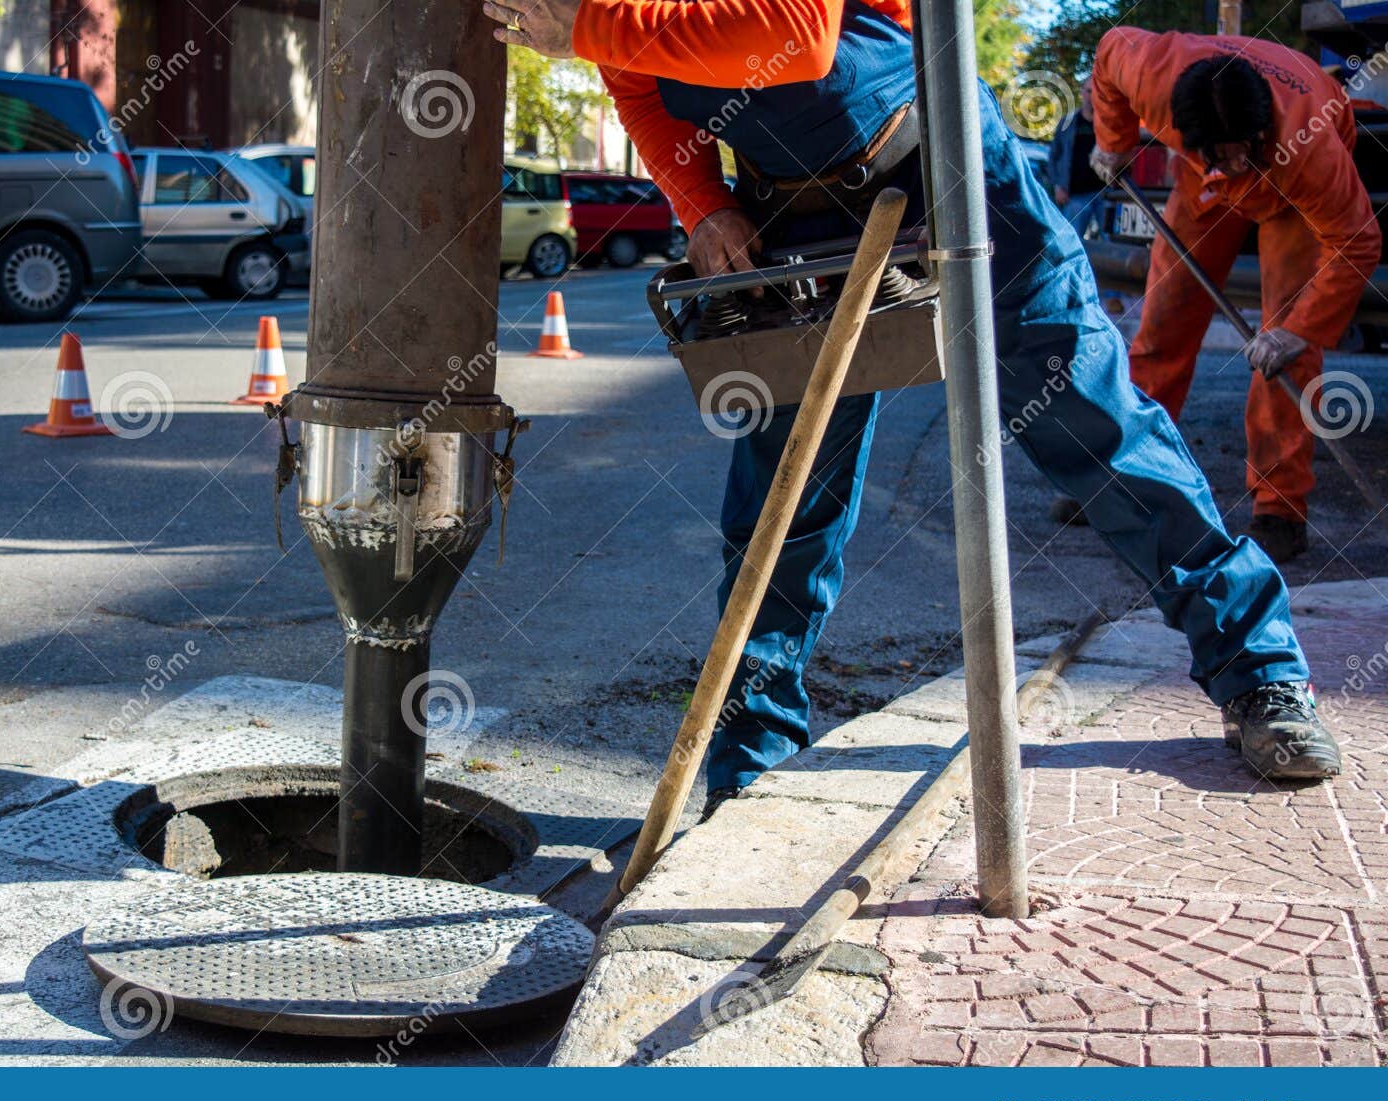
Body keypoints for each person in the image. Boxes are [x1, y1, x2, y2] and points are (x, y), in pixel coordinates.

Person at [480, 0, 1344, 801]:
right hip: (798, 216)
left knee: (1092, 425)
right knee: (782, 503)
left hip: (950, 169)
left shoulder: (604, 10)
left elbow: (795, 31)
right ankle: (753, 759)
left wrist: (592, 21)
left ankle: (1258, 666)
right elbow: (640, 89)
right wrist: (703, 204)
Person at [1086, 27, 1380, 562]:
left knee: (1283, 351)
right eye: (1221, 154)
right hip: (1201, 188)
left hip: (1287, 191)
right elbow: (1108, 54)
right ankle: (1124, 478)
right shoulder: (1151, 70)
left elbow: (1357, 242)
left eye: (1243, 153)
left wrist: (1299, 330)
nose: (1235, 166)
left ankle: (1279, 511)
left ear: (1261, 129)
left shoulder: (1311, 147)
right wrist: (1114, 143)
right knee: (1161, 327)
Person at [1047, 77, 1103, 232]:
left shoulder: (1108, 124)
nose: (1092, 96)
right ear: (1082, 93)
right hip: (1075, 196)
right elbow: (1054, 157)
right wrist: (1058, 186)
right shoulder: (1068, 122)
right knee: (1071, 243)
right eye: (1089, 91)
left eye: (1097, 92)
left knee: (1112, 246)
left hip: (1106, 194)